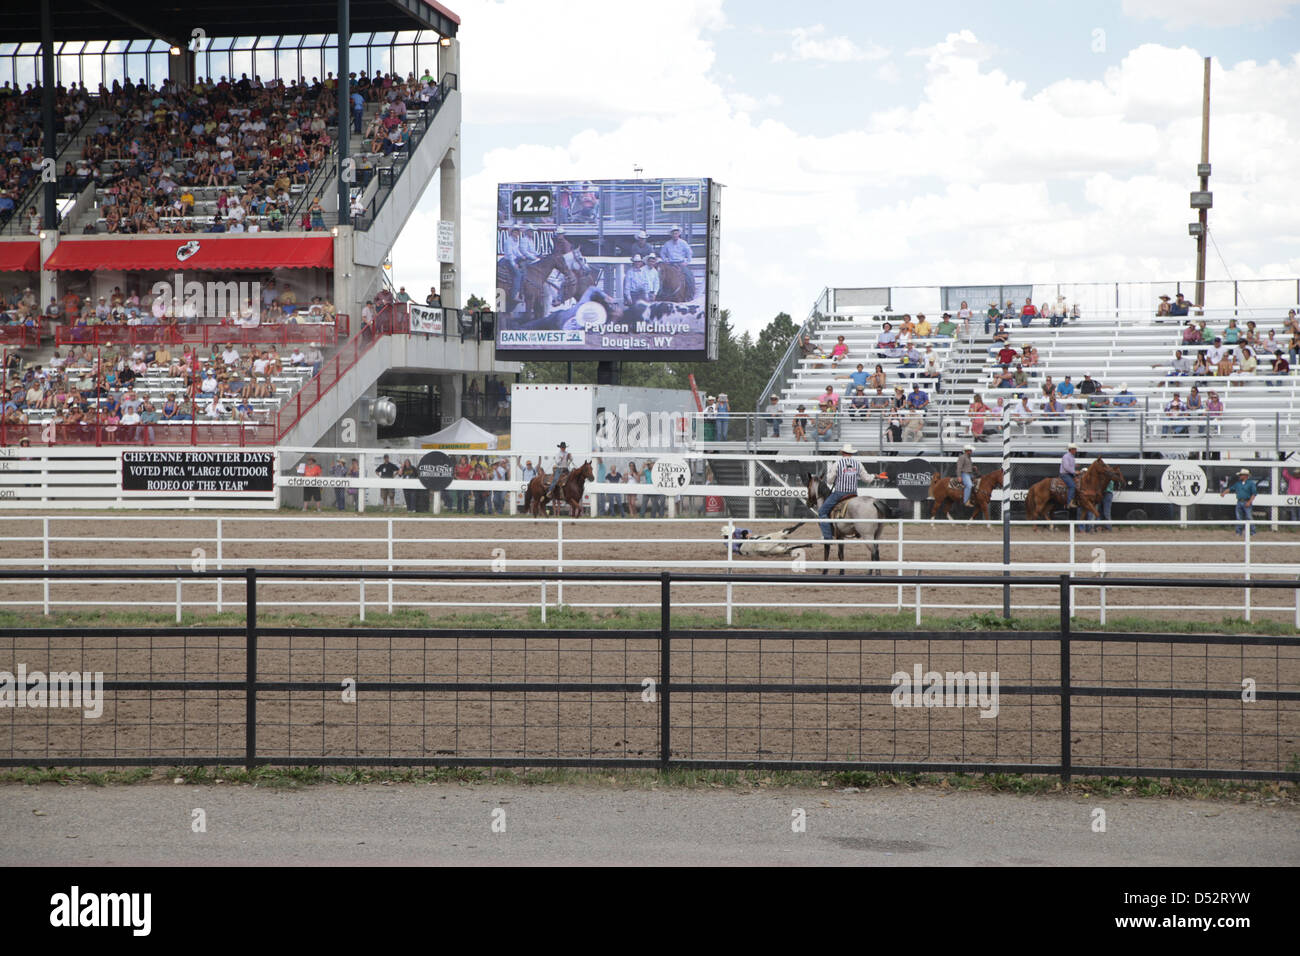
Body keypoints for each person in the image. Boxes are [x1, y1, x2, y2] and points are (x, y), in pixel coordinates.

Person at [818, 443, 861, 540]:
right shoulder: (858, 464)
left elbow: (829, 480)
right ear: (851, 453)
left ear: (842, 452)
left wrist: (835, 478)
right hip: (854, 493)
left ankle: (828, 537)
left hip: (840, 493)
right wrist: (875, 476)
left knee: (822, 512)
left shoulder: (837, 464)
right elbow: (867, 478)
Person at [1221, 468, 1258, 537]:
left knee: (1249, 517)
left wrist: (1249, 502)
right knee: (1239, 517)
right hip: (1239, 502)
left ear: (1245, 476)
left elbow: (1254, 493)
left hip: (1246, 501)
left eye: (1241, 475)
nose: (1240, 476)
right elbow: (1231, 489)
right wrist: (1224, 492)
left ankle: (1252, 532)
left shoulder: (1251, 484)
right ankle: (1239, 532)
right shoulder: (1238, 484)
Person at [956, 443, 978, 509]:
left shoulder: (969, 457)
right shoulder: (962, 457)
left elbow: (967, 466)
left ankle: (973, 499)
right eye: (970, 450)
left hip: (970, 474)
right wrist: (959, 476)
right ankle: (966, 501)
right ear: (967, 450)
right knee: (969, 485)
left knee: (978, 483)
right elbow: (959, 467)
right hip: (964, 474)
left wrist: (973, 467)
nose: (971, 451)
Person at [1060, 442, 1078, 509]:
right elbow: (1066, 467)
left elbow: (1069, 466)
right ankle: (1069, 502)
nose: (1076, 450)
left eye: (1075, 449)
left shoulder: (1071, 457)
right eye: (1075, 449)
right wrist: (1074, 472)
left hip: (1070, 474)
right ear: (1071, 449)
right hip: (1065, 474)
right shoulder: (1066, 456)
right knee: (1072, 486)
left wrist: (1074, 466)